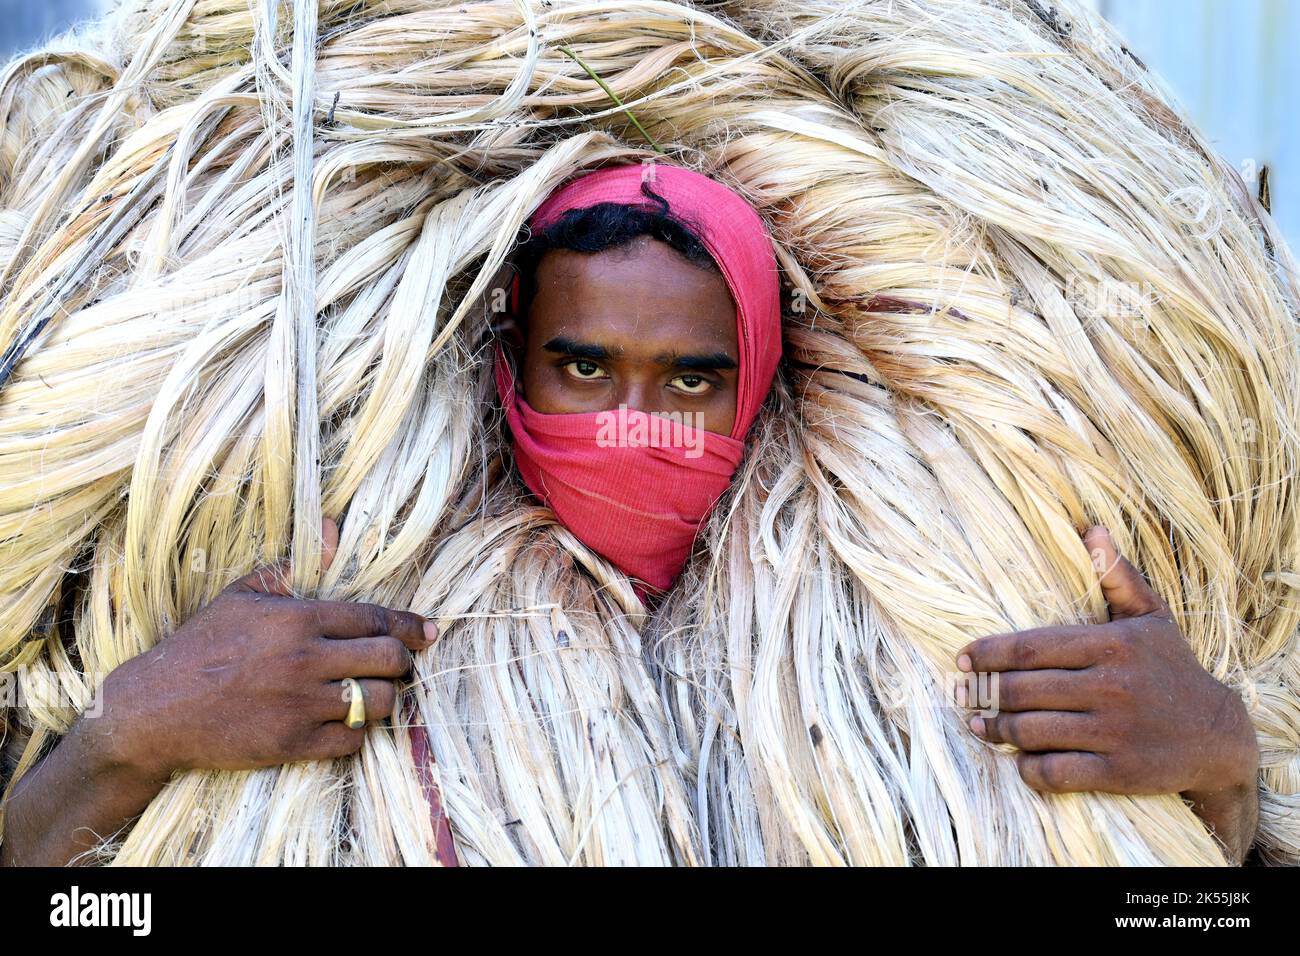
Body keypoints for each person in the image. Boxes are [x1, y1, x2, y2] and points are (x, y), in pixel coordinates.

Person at [0, 162, 1260, 866]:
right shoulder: (345, 633)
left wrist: (1218, 770)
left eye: (694, 378)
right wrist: (129, 736)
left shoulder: (914, 646)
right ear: (510, 366)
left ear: (763, 380)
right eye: (585, 367)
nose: (632, 422)